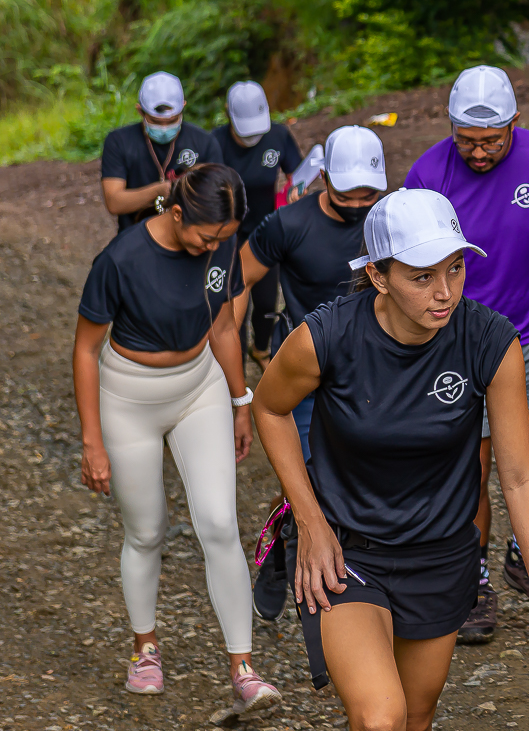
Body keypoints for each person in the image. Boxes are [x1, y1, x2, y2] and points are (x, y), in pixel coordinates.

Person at [251, 188, 529, 730]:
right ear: (379, 276)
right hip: (349, 554)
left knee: (416, 718)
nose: (444, 292)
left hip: (441, 558)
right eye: (422, 277)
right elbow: (269, 408)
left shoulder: (489, 342)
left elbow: (518, 478)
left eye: (455, 269)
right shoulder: (328, 336)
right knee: (381, 718)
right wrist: (309, 520)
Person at [404, 64, 529, 642]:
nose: (480, 152)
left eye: (492, 141)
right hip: (457, 339)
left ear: (517, 122)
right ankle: (475, 577)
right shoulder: (427, 173)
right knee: (471, 473)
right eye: (467, 140)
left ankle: (525, 541)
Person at [72, 162, 281, 712]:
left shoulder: (220, 247)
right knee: (146, 531)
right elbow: (85, 350)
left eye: (225, 238)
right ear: (177, 212)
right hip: (129, 399)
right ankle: (145, 649)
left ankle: (243, 667)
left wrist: (241, 402)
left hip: (199, 388)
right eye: (207, 236)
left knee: (218, 524)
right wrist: (92, 440)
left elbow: (224, 328)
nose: (214, 246)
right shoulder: (120, 261)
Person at [237, 125, 387, 622]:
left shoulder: (390, 222)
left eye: (370, 194)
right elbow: (239, 281)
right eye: (349, 194)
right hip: (302, 372)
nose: (360, 204)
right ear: (323, 177)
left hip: (371, 369)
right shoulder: (288, 224)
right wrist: (229, 357)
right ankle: (283, 545)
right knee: (305, 473)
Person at [213, 80, 302, 363]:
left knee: (266, 301)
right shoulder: (213, 143)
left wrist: (295, 192)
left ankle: (260, 349)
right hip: (226, 235)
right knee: (233, 301)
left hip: (265, 232)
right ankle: (233, 365)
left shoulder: (278, 136)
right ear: (228, 114)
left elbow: (297, 174)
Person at [101, 71, 223, 231]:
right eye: (155, 122)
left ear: (183, 108)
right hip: (135, 235)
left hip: (187, 235)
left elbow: (218, 197)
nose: (164, 128)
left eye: (172, 120)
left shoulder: (204, 142)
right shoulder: (119, 141)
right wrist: (158, 190)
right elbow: (114, 202)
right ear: (140, 111)